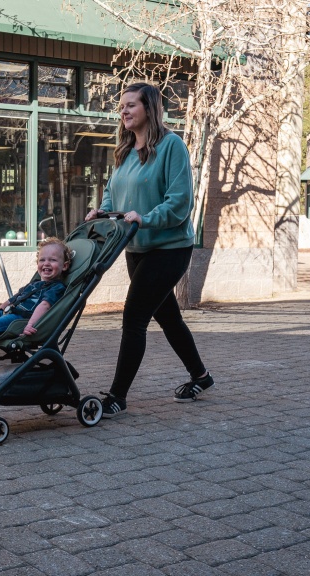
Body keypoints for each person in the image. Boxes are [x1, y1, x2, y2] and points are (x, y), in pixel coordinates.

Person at [85, 81, 212, 418]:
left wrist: (146, 218)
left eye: (131, 105)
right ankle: (201, 376)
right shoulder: (125, 151)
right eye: (122, 106)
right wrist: (102, 211)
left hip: (170, 248)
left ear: (149, 109)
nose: (124, 111)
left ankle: (117, 396)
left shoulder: (172, 146)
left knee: (134, 317)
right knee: (168, 317)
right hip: (136, 247)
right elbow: (114, 194)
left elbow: (180, 202)